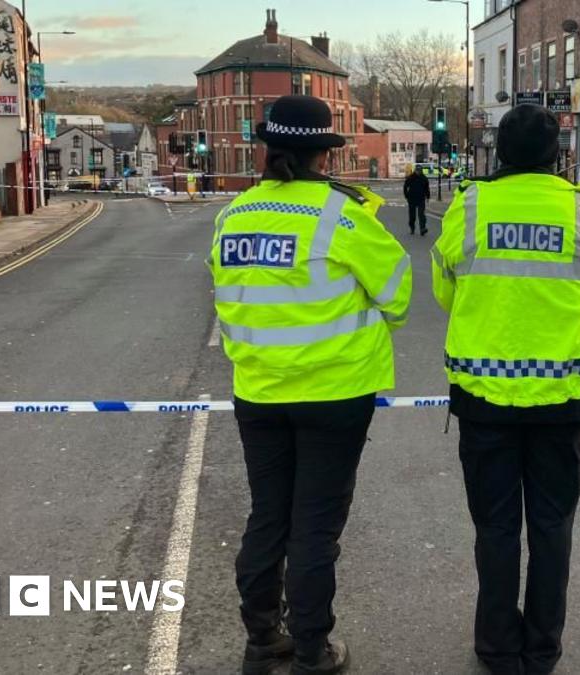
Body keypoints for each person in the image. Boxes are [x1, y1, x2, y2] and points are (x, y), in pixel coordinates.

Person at [211, 95, 412, 675]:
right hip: (336, 394)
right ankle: (310, 651)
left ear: (268, 148)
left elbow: (226, 295)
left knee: (267, 517)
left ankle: (261, 641)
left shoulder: (234, 215)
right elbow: (398, 297)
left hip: (259, 392)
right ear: (324, 154)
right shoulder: (342, 215)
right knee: (315, 526)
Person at [431, 104, 580, 675]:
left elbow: (445, 289)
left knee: (496, 528)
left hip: (485, 399)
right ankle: (542, 650)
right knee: (553, 529)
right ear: (557, 154)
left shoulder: (470, 206)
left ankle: (498, 649)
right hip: (565, 398)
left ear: (499, 152)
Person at [402, 163, 431, 235]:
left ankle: (422, 229)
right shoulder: (411, 178)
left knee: (421, 215)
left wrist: (428, 197)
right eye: (417, 170)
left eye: (419, 171)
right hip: (412, 199)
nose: (418, 172)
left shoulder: (424, 178)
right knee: (412, 216)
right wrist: (406, 196)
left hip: (421, 199)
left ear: (421, 171)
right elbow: (405, 186)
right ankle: (412, 227)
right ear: (415, 170)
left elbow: (427, 188)